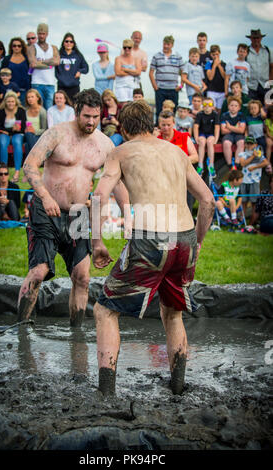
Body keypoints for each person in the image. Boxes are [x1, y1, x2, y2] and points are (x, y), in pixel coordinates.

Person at [91, 99, 215, 396]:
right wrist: (197, 241)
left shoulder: (119, 152)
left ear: (122, 126)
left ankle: (106, 393)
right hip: (184, 237)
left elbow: (98, 197)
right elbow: (208, 200)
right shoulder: (176, 151)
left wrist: (97, 242)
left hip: (150, 239)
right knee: (172, 313)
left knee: (105, 310)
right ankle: (178, 386)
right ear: (153, 123)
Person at [18, 88, 129, 326]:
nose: (90, 122)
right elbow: (29, 165)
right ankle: (21, 329)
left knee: (82, 278)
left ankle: (75, 335)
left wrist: (128, 215)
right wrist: (45, 197)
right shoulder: (57, 133)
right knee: (38, 273)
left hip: (78, 216)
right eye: (86, 116)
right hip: (46, 210)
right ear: (77, 111)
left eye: (95, 117)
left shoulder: (105, 144)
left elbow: (116, 183)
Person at [149, 35, 185, 123]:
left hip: (174, 89)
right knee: (159, 112)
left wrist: (180, 86)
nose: (165, 46)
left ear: (172, 45)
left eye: (168, 44)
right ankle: (158, 131)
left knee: (173, 111)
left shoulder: (178, 56)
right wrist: (155, 87)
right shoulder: (156, 56)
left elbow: (184, 72)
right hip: (160, 89)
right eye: (164, 44)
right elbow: (151, 73)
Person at [27, 23, 60, 110]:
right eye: (39, 33)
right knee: (37, 109)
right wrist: (49, 63)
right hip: (37, 83)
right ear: (37, 34)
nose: (41, 36)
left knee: (49, 109)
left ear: (47, 34)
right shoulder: (32, 48)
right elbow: (33, 64)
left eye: (43, 33)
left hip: (50, 83)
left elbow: (57, 62)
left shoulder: (53, 48)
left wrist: (41, 62)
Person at [0, 91, 26, 183]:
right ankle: (3, 169)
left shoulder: (21, 111)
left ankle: (17, 171)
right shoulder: (1, 111)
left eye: (12, 101)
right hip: (4, 134)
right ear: (5, 102)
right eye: (8, 101)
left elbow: (23, 128)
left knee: (17, 142)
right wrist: (11, 130)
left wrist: (9, 130)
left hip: (17, 134)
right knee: (2, 142)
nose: (10, 103)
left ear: (16, 102)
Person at [239, 136, 268, 219]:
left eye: (251, 144)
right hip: (244, 181)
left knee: (254, 203)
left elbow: (266, 163)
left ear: (255, 144)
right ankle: (242, 221)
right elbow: (243, 164)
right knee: (243, 202)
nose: (249, 146)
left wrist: (255, 167)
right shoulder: (243, 154)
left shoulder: (259, 154)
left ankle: (253, 222)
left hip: (255, 181)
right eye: (247, 143)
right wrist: (252, 156)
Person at [55, 32, 89, 103]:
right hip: (62, 87)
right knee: (61, 108)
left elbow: (86, 68)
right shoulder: (58, 54)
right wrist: (59, 77)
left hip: (74, 87)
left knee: (75, 108)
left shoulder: (78, 55)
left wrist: (80, 71)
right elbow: (53, 67)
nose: (69, 43)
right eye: (66, 41)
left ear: (73, 44)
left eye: (71, 41)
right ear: (63, 43)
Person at [193, 97, 220, 177]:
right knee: (202, 142)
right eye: (205, 104)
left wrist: (216, 138)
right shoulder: (200, 114)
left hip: (210, 134)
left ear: (213, 106)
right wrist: (196, 138)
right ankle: (200, 165)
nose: (207, 106)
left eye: (210, 104)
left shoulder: (215, 114)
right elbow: (196, 127)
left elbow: (217, 127)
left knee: (210, 142)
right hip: (202, 133)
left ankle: (211, 165)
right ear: (202, 105)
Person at [246, 29, 273, 104]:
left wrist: (270, 83)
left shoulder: (267, 50)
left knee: (268, 107)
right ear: (251, 39)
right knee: (252, 107)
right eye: (254, 38)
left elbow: (271, 67)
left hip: (266, 85)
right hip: (251, 86)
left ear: (261, 38)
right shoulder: (247, 51)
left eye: (258, 38)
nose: (256, 40)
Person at [1, 37, 30, 105]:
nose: (16, 47)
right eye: (14, 46)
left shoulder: (27, 58)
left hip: (24, 90)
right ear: (11, 47)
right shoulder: (6, 59)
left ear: (22, 47)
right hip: (10, 91)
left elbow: (31, 72)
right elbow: (2, 74)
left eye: (19, 46)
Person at [221, 96, 246, 167]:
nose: (233, 107)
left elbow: (241, 130)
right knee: (226, 143)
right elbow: (223, 131)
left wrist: (229, 127)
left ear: (239, 107)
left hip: (238, 135)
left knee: (241, 142)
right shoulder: (224, 115)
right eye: (231, 105)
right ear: (228, 106)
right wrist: (235, 128)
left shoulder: (241, 115)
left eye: (236, 106)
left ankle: (237, 163)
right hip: (228, 135)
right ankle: (230, 164)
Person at [114, 39, 141, 106]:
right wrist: (133, 72)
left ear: (132, 48)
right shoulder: (118, 58)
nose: (127, 49)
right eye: (124, 47)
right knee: (123, 106)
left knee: (134, 105)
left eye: (129, 47)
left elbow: (138, 72)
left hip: (133, 85)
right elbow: (118, 73)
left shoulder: (136, 59)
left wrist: (124, 69)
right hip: (121, 86)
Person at [24, 88, 47, 155]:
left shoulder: (42, 111)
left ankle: (31, 160)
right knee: (28, 135)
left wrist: (35, 131)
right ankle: (36, 157)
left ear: (37, 98)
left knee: (27, 145)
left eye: (32, 97)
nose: (30, 99)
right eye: (28, 97)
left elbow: (45, 129)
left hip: (38, 135)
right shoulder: (25, 111)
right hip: (27, 135)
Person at [205, 45, 226, 113]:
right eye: (213, 55)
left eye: (217, 54)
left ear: (219, 53)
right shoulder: (208, 64)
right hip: (211, 90)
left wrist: (219, 65)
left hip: (221, 90)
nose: (215, 56)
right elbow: (210, 77)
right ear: (211, 54)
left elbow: (225, 77)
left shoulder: (224, 64)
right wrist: (214, 65)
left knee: (220, 109)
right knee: (212, 108)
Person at [265, 105, 273, 173]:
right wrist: (271, 137)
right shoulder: (267, 120)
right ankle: (268, 162)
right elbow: (267, 132)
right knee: (269, 143)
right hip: (270, 136)